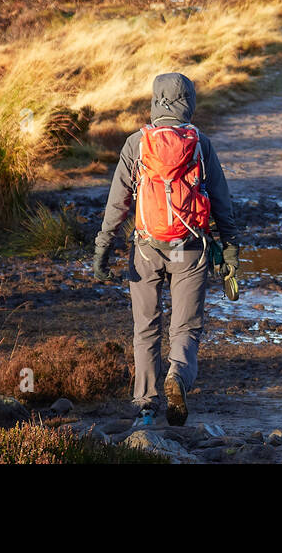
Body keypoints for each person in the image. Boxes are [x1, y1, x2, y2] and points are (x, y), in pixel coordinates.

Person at [93, 73, 240, 427]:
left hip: (146, 249)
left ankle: (146, 404)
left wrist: (103, 247)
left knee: (145, 326)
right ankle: (178, 376)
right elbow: (222, 203)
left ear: (156, 99)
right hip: (189, 249)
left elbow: (118, 204)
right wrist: (230, 249)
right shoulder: (201, 144)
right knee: (185, 326)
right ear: (190, 100)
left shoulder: (135, 144)